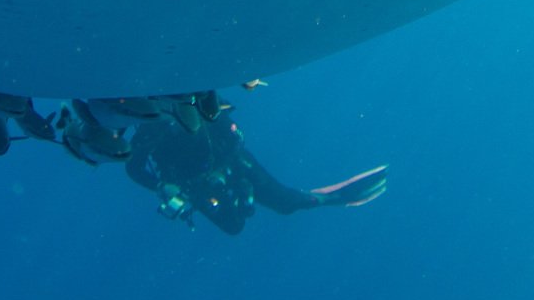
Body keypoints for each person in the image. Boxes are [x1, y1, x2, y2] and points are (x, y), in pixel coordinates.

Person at [123, 100, 387, 234]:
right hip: (193, 184)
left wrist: (224, 167)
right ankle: (247, 195)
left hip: (231, 164)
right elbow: (133, 168)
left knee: (283, 202)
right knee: (233, 226)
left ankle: (333, 197)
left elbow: (231, 132)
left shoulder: (194, 104)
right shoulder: (148, 131)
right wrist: (161, 185)